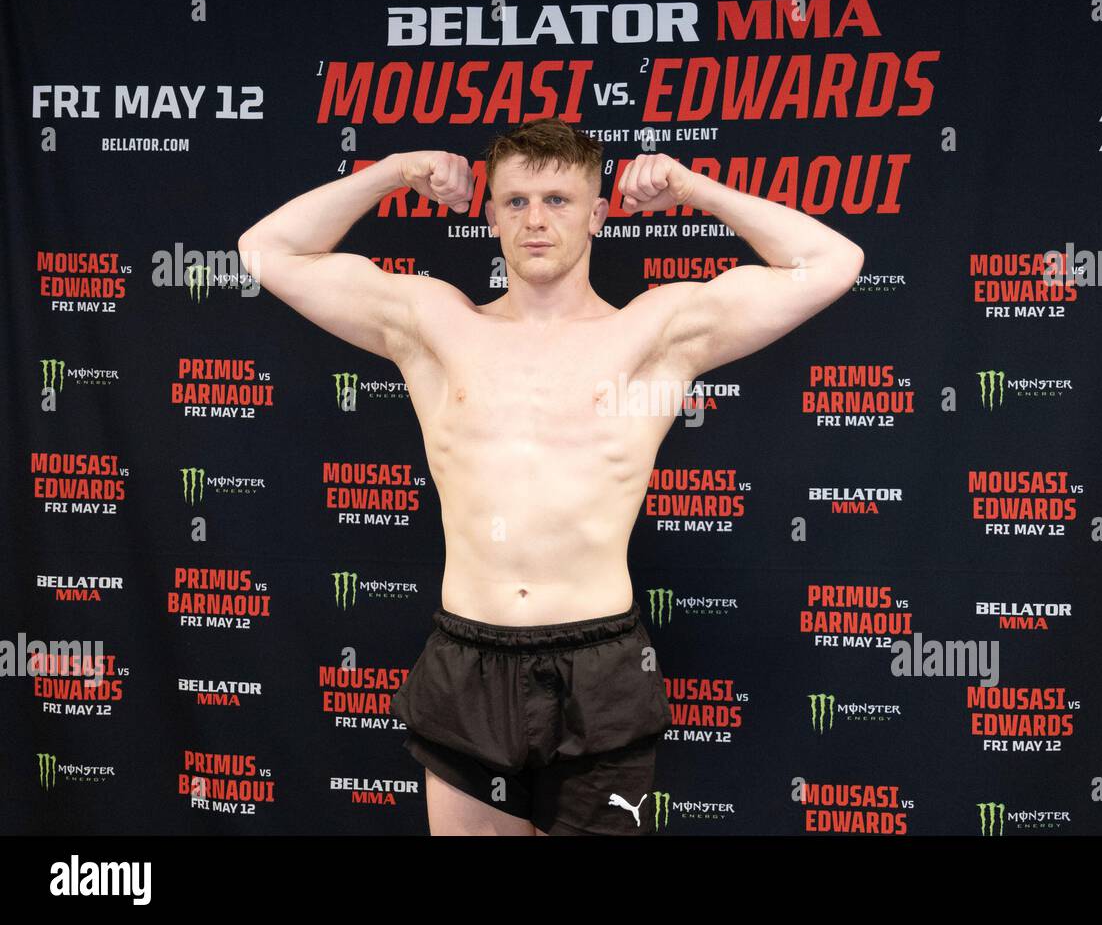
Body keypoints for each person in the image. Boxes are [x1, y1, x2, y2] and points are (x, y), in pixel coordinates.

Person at [236, 117, 864, 835]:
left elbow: (832, 262)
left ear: (599, 215)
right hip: (468, 652)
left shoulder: (653, 334)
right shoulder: (435, 326)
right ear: (491, 212)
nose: (536, 221)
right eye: (516, 201)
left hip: (599, 660)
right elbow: (266, 250)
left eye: (559, 201)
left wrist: (695, 188)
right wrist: (394, 171)